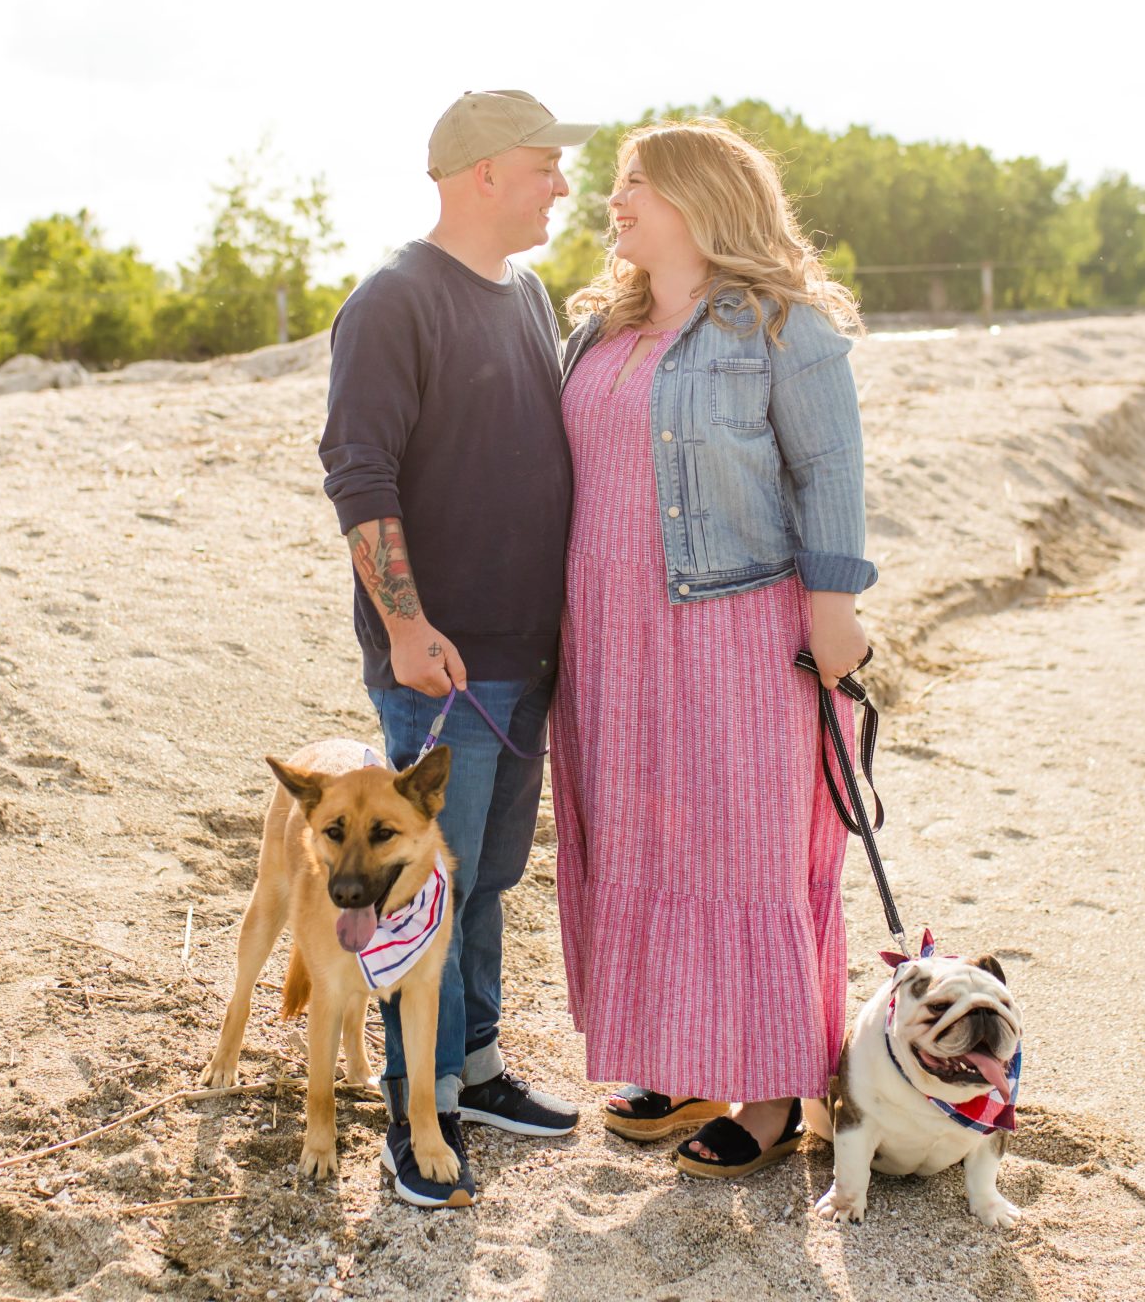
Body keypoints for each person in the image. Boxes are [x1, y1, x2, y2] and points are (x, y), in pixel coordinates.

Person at [549, 116, 874, 1179]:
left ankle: (776, 1092)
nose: (616, 199)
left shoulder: (782, 328)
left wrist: (835, 609)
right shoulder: (598, 328)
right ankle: (685, 1060)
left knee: (743, 846)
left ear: (700, 198)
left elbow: (828, 472)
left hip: (732, 623)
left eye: (637, 181)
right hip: (606, 629)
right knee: (645, 837)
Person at [318, 89, 594, 1207]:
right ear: (483, 172)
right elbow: (359, 473)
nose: (561, 185)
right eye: (544, 165)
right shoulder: (392, 301)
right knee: (421, 895)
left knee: (485, 880)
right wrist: (403, 623)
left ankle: (473, 1068)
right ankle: (412, 1111)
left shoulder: (525, 295)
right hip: (441, 664)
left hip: (526, 659)